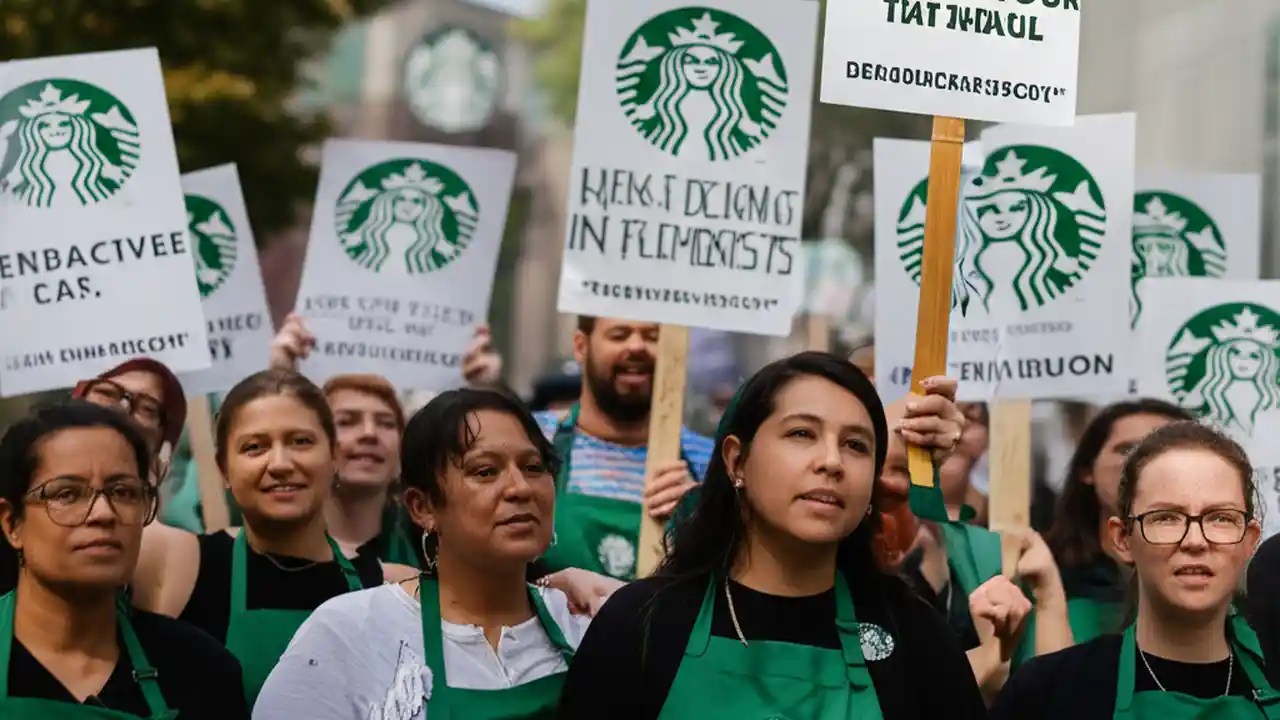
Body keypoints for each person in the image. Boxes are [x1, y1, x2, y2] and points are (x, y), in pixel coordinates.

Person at [558, 352, 994, 719]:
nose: (831, 461)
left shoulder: (916, 637)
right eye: (802, 434)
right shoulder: (642, 626)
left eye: (856, 445)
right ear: (736, 461)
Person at [254, 388, 605, 718]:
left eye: (533, 467)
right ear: (422, 507)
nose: (519, 488)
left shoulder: (589, 627)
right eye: (485, 471)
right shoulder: (353, 632)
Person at [128, 369, 391, 707]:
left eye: (301, 441)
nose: (279, 463)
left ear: (334, 456)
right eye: (255, 447)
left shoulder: (389, 588)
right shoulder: (171, 564)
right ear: (223, 469)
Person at [991, 421, 1276, 718]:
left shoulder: (1275, 677)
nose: (1195, 541)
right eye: (1166, 518)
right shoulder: (1049, 692)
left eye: (1220, 518)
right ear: (1123, 539)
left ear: (1249, 542)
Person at [0, 401, 248, 718]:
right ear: (11, 524)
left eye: (124, 492)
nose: (104, 513)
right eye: (67, 494)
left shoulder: (201, 668)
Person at [535, 316, 714, 579]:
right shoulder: (531, 440)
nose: (637, 346)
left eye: (653, 337)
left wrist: (708, 515)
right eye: (619, 335)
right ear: (581, 346)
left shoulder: (709, 462)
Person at [1042, 399, 1193, 646]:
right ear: (1087, 470)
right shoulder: (1044, 576)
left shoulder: (1231, 581)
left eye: (1164, 448)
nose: (1144, 462)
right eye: (1126, 449)